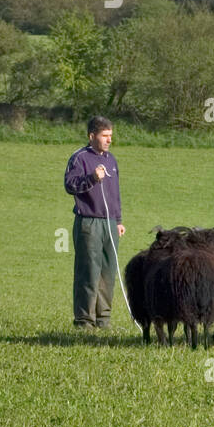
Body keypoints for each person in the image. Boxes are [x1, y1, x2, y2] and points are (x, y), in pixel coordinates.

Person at [64, 116, 125, 329]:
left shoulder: (111, 160)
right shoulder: (79, 158)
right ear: (92, 136)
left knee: (108, 272)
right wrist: (91, 178)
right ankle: (84, 321)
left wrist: (118, 220)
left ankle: (103, 320)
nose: (109, 140)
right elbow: (70, 186)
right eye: (104, 136)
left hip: (109, 223)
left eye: (110, 136)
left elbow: (114, 193)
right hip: (88, 223)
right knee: (89, 272)